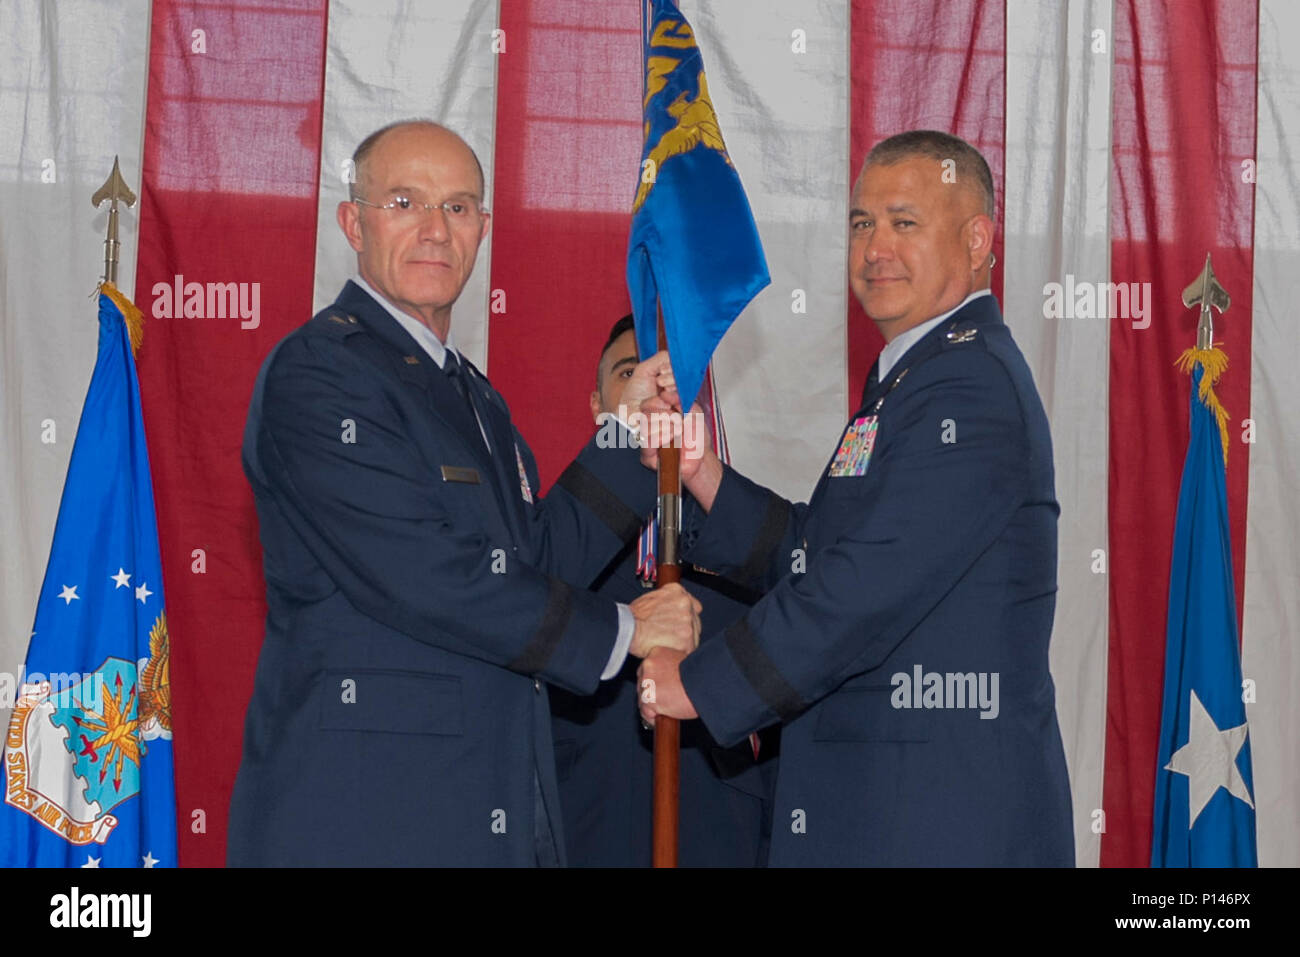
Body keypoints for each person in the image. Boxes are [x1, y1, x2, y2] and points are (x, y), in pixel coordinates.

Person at [228, 120, 701, 867]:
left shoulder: (474, 398)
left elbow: (537, 556)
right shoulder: (319, 373)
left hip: (497, 805)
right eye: (404, 201)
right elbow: (426, 575)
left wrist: (626, 431)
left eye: (457, 207)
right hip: (371, 816)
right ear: (353, 221)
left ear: (483, 229)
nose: (434, 229)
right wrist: (622, 630)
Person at [638, 130, 1075, 866]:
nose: (876, 247)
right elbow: (825, 556)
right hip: (887, 810)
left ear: (977, 240)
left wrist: (705, 683)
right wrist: (703, 474)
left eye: (905, 222)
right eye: (861, 223)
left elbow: (864, 587)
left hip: (935, 822)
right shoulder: (913, 377)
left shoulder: (968, 387)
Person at [549, 315, 776, 866]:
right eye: (632, 374)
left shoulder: (747, 562)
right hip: (584, 837)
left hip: (716, 841)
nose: (654, 388)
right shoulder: (552, 552)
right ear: (600, 407)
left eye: (672, 379)